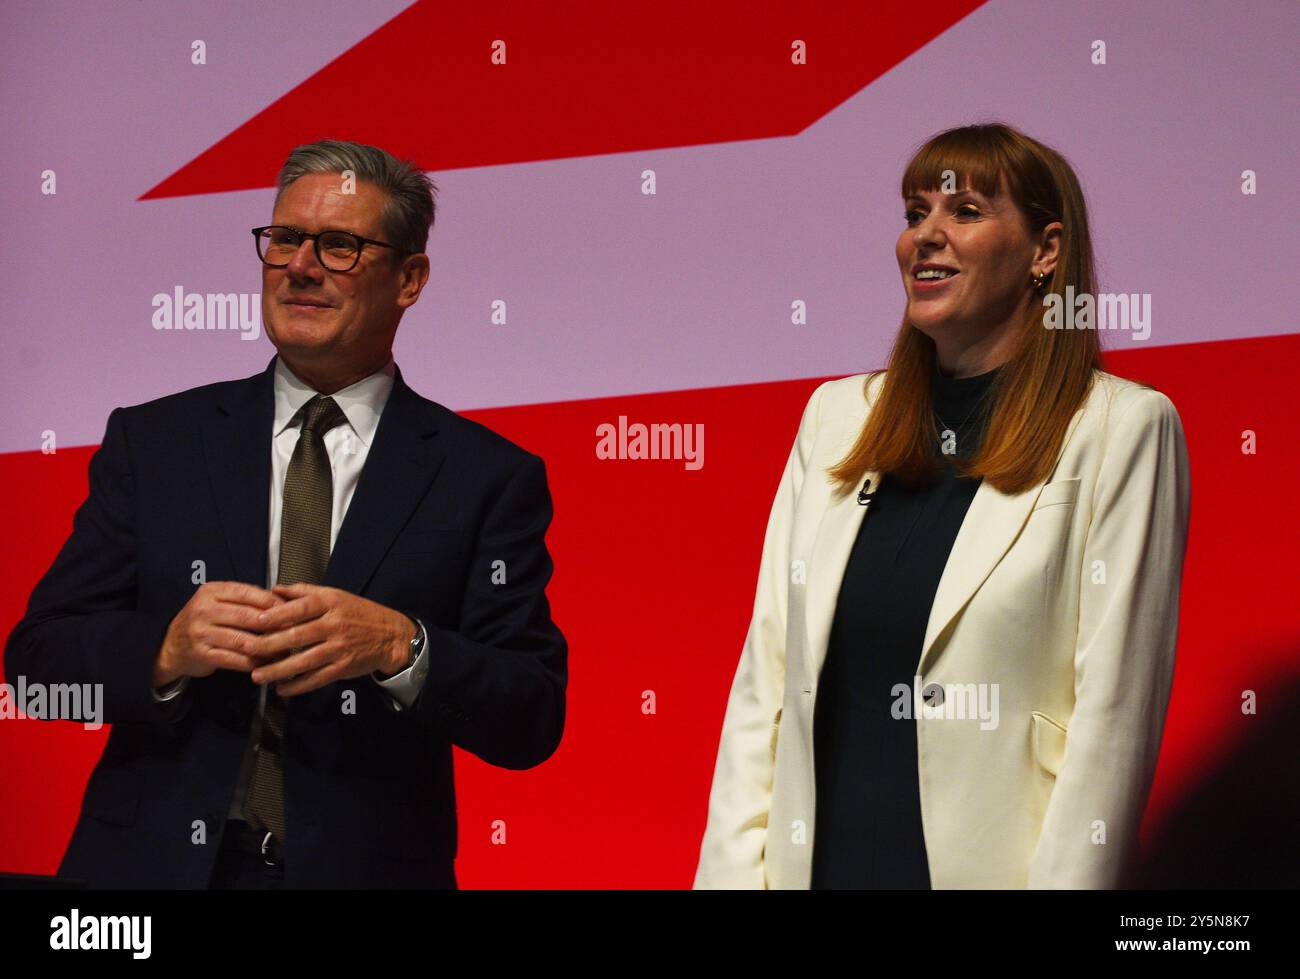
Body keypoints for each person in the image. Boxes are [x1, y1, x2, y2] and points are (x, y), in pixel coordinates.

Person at [5, 139, 567, 889]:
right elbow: (35, 671)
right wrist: (165, 651)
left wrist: (403, 646)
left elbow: (530, 719)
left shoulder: (485, 476)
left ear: (409, 278)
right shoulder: (156, 442)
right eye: (283, 240)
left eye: (338, 246)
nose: (300, 266)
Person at [693, 122, 1191, 889]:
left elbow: (1110, 720)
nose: (925, 236)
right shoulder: (835, 417)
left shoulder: (1122, 428)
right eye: (913, 213)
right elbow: (766, 681)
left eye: (963, 212)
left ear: (1045, 251)